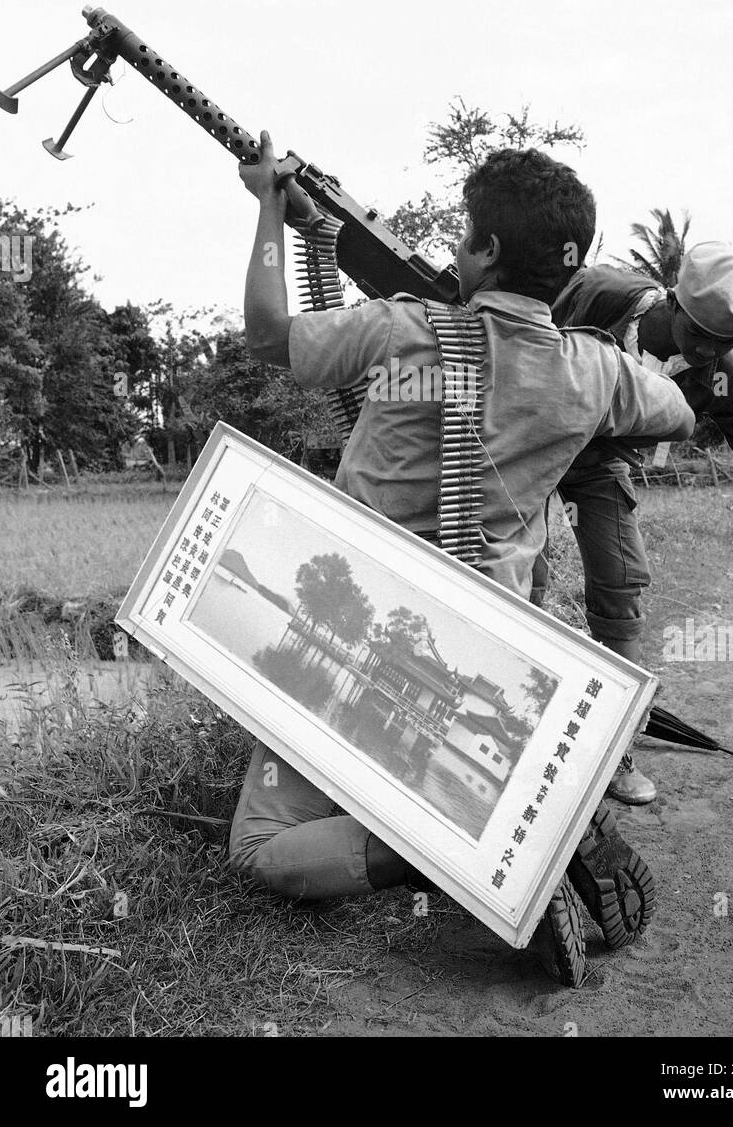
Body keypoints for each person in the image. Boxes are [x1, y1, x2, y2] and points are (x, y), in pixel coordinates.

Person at [230, 134, 696, 977]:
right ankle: (504, 801)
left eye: (465, 235)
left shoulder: (407, 332)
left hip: (360, 635)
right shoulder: (595, 371)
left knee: (262, 846)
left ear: (481, 250)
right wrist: (592, 373)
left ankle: (452, 847)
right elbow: (678, 413)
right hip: (496, 655)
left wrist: (267, 202)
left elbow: (269, 336)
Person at [540, 242, 733, 804]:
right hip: (529, 440)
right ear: (674, 303)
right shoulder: (597, 293)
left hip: (600, 463)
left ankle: (615, 750)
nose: (709, 351)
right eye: (701, 334)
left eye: (726, 343)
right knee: (516, 575)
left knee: (622, 585)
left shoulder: (728, 377)